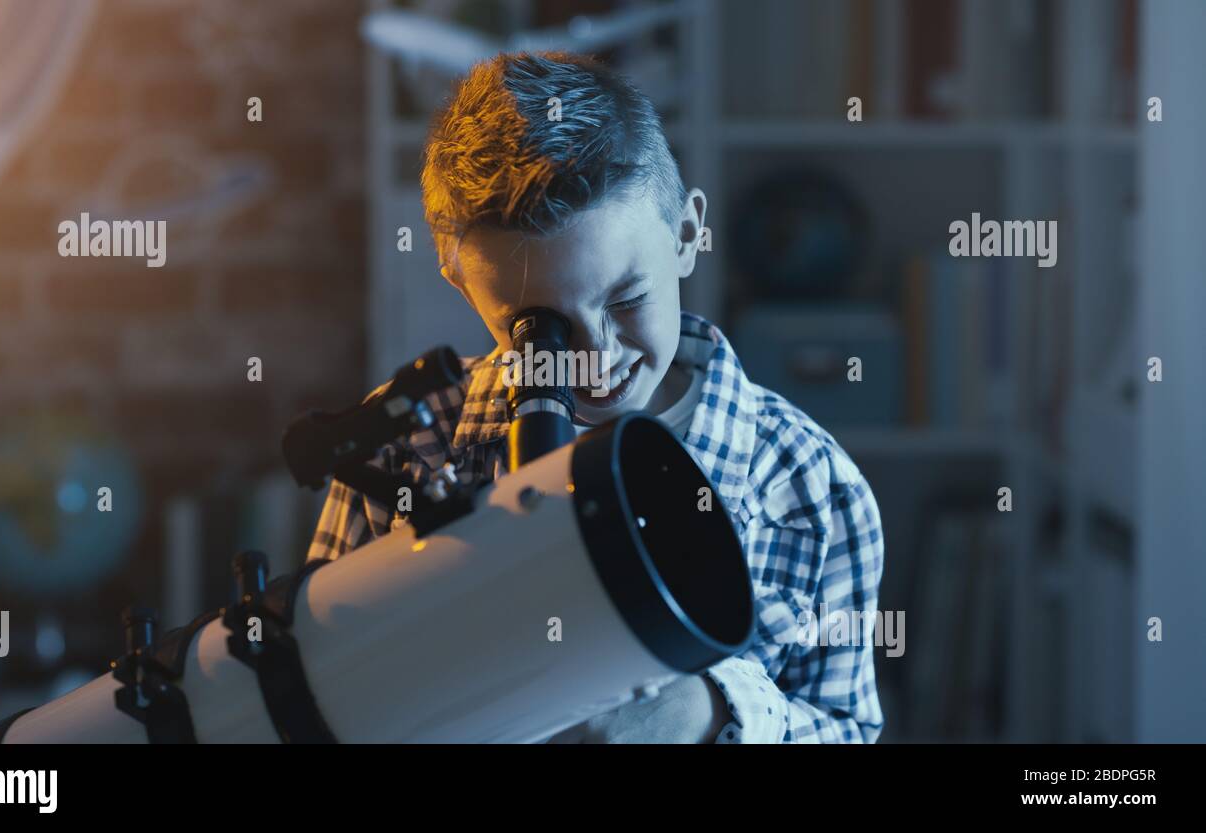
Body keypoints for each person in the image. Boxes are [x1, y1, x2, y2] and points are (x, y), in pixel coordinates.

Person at [309, 51, 884, 743]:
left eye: (628, 298)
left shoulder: (812, 485)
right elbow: (322, 695)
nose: (596, 357)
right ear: (459, 277)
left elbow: (846, 728)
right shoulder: (405, 448)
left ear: (686, 234)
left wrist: (712, 715)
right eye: (539, 328)